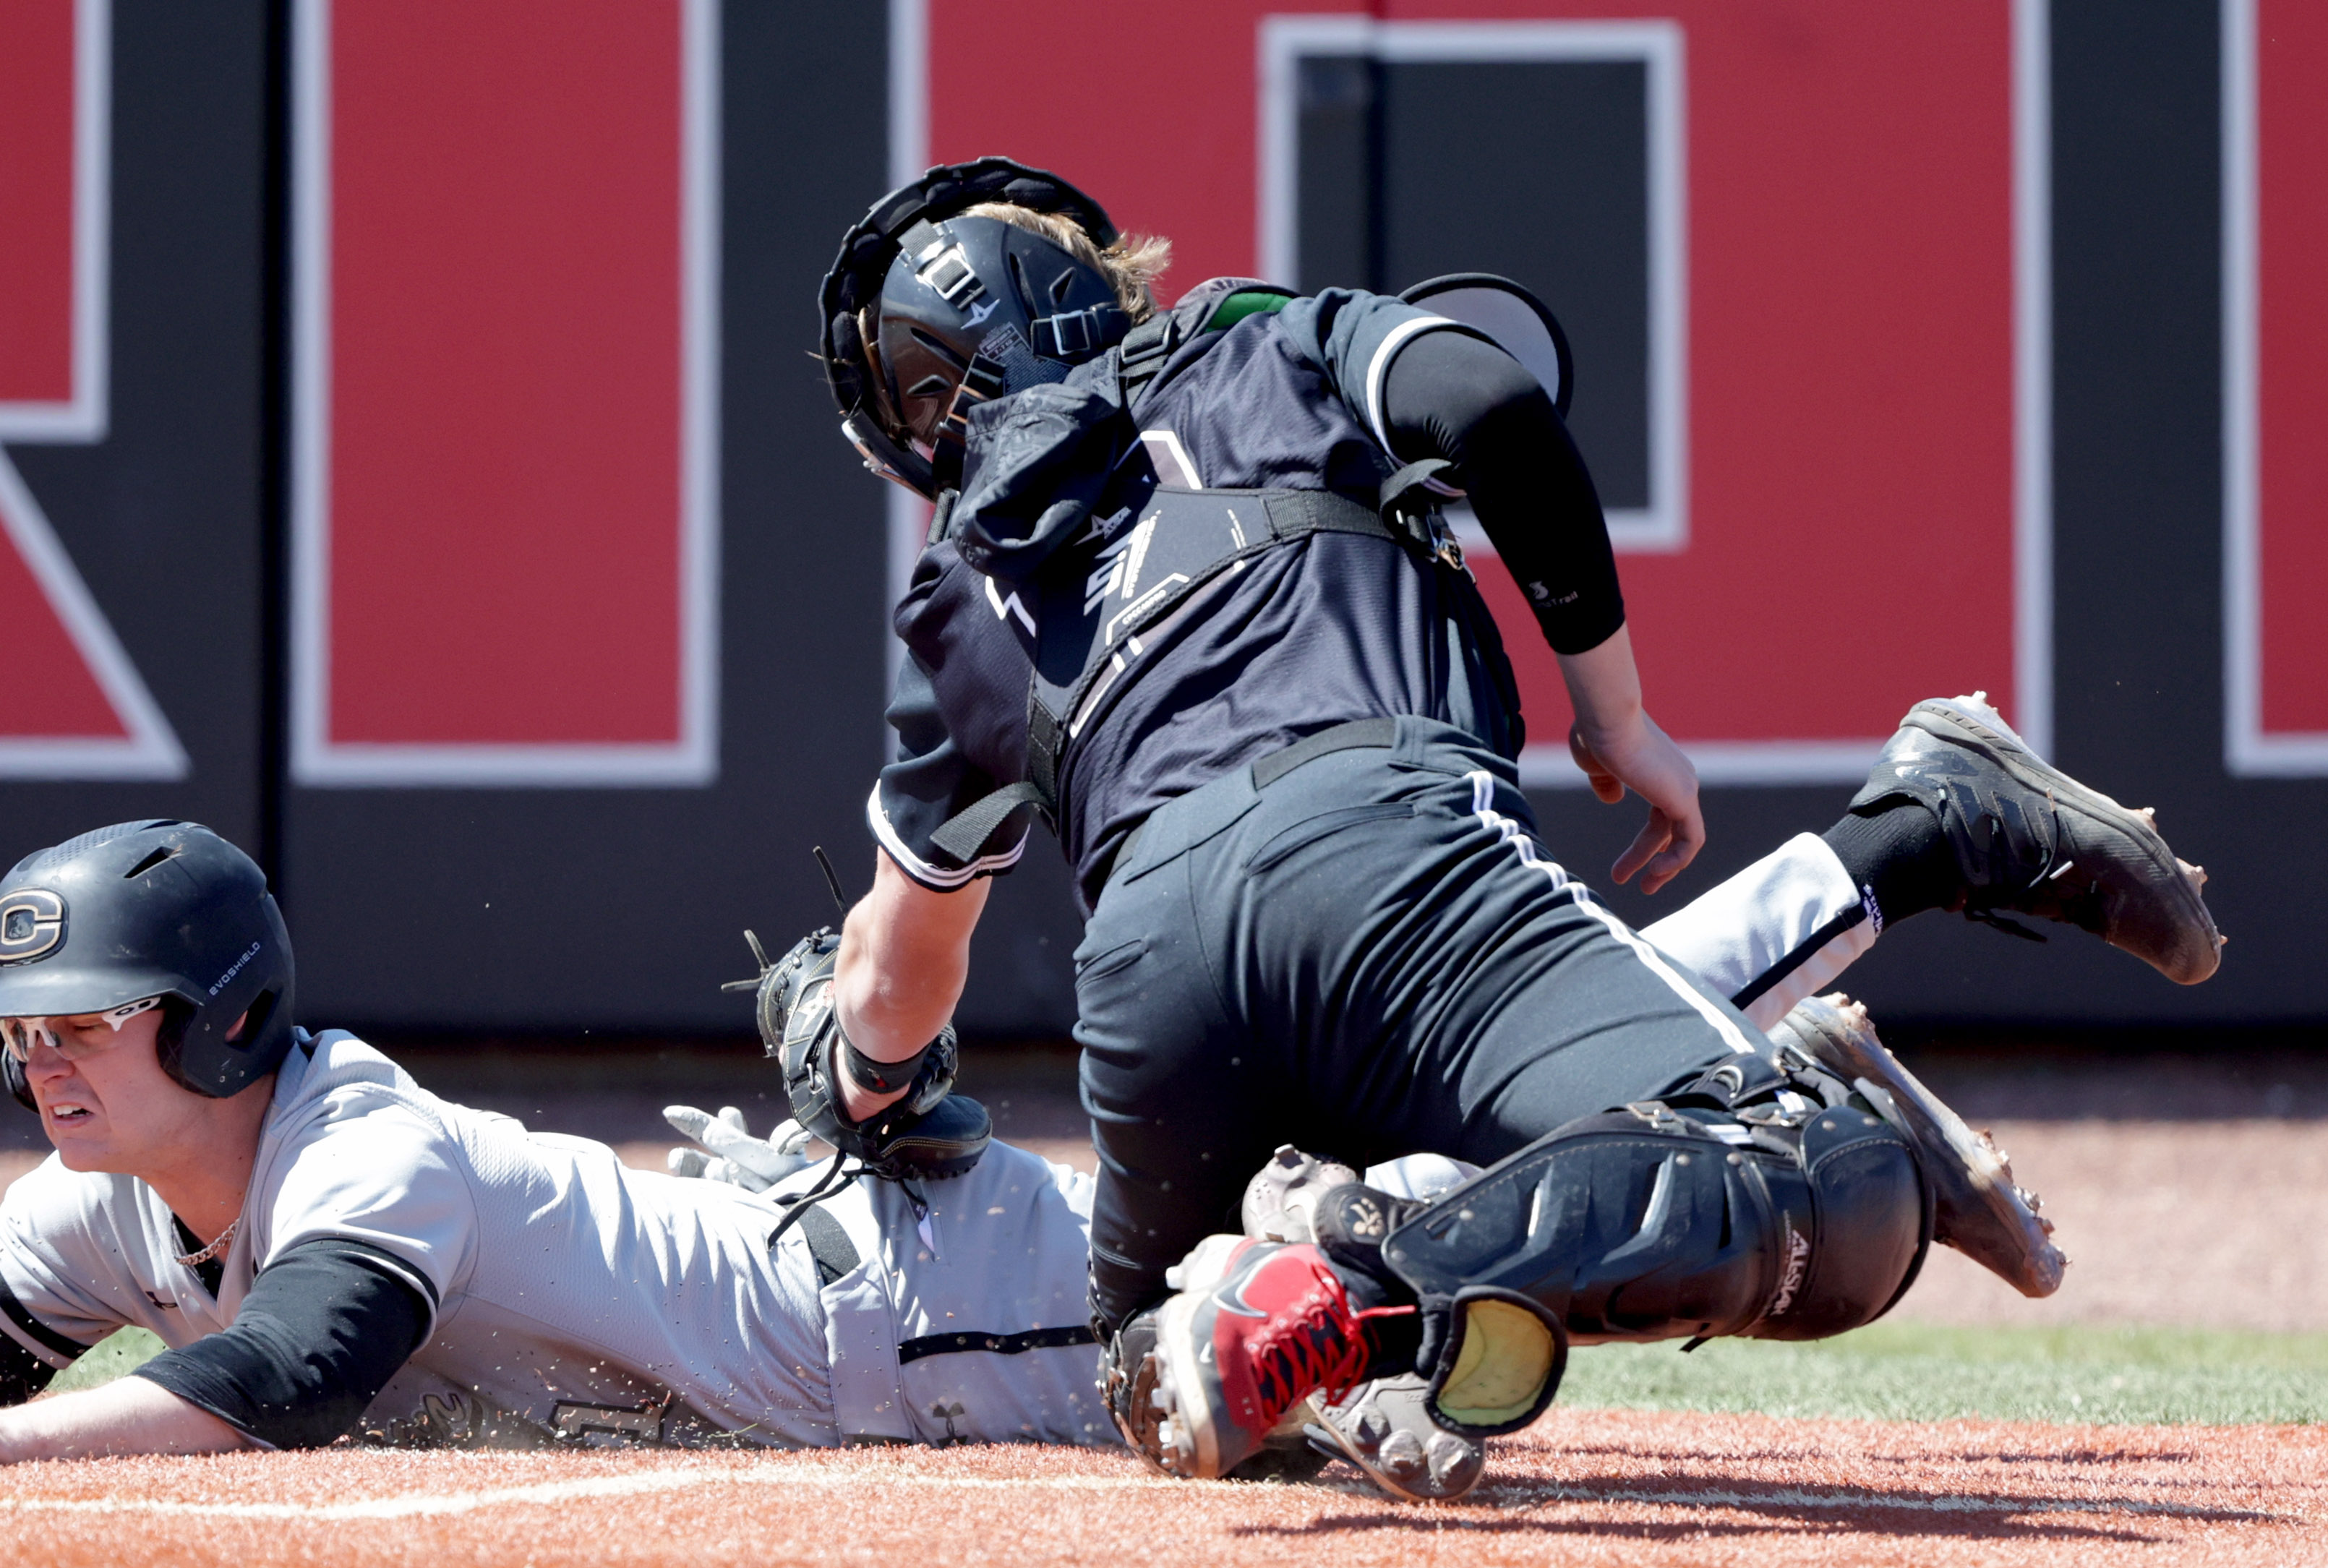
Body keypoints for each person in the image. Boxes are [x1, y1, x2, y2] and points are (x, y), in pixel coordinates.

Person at [0, 804, 2089, 1481]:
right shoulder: (128, 1179)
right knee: (1387, 1169)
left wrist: (16, 1449)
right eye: (24, 1033)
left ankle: (1872, 876)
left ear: (223, 1009)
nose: (42, 1064)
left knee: (1379, 1203)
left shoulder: (360, 1159)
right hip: (823, 1244)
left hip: (932, 1309)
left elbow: (292, 1368)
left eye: (84, 1022)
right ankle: (1821, 999)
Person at [803, 157, 2222, 1493]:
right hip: (1384, 850)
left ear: (914, 430)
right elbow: (1485, 400)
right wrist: (1611, 712)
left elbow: (891, 980)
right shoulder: (1252, 339)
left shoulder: (950, 594)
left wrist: (854, 1078)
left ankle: (1323, 1269)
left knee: (1164, 1371)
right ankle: (1363, 1270)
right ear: (1101, 281)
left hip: (1150, 979)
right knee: (1836, 1192)